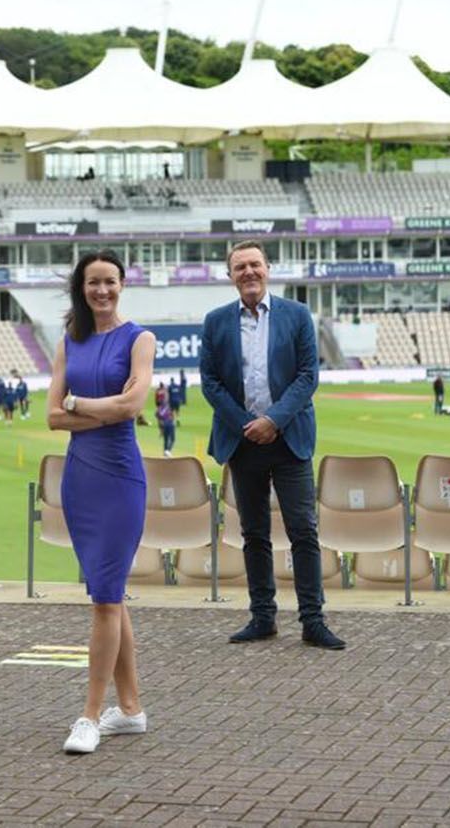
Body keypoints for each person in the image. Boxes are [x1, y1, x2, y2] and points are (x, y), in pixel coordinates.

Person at [200, 241, 344, 651]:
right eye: (240, 266)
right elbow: (210, 382)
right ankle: (262, 616)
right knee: (255, 534)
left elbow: (306, 376)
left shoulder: (297, 315)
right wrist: (249, 425)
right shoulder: (215, 322)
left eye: (255, 265)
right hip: (243, 441)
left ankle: (313, 620)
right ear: (230, 275)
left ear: (268, 269)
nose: (249, 272)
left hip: (289, 437)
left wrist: (273, 421)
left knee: (303, 531)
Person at [48, 250, 156, 755]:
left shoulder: (140, 339)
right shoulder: (70, 341)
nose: (102, 290)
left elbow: (133, 406)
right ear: (82, 286)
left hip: (119, 480)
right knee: (108, 594)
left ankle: (90, 715)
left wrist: (80, 405)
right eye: (93, 282)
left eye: (110, 281)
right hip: (80, 482)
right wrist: (102, 410)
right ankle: (130, 710)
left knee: (105, 599)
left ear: (122, 284)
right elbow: (52, 417)